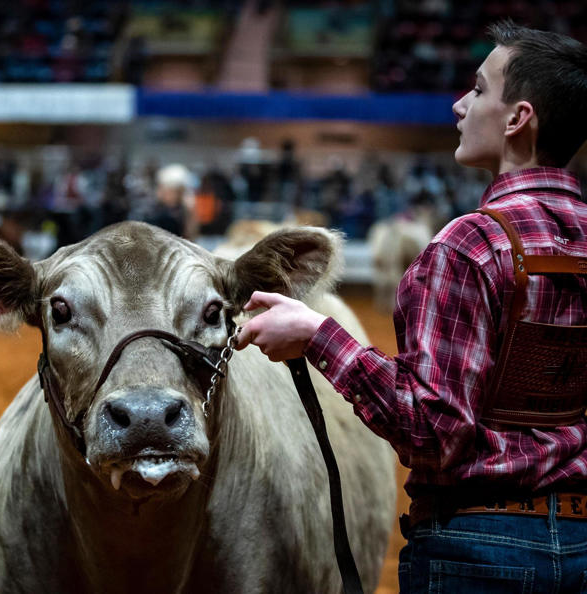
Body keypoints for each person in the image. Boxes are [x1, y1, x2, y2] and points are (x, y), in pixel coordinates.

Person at [235, 20, 587, 592]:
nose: (458, 104)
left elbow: (435, 432)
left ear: (518, 119)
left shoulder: (470, 246)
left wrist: (317, 334)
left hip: (480, 549)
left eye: (476, 90)